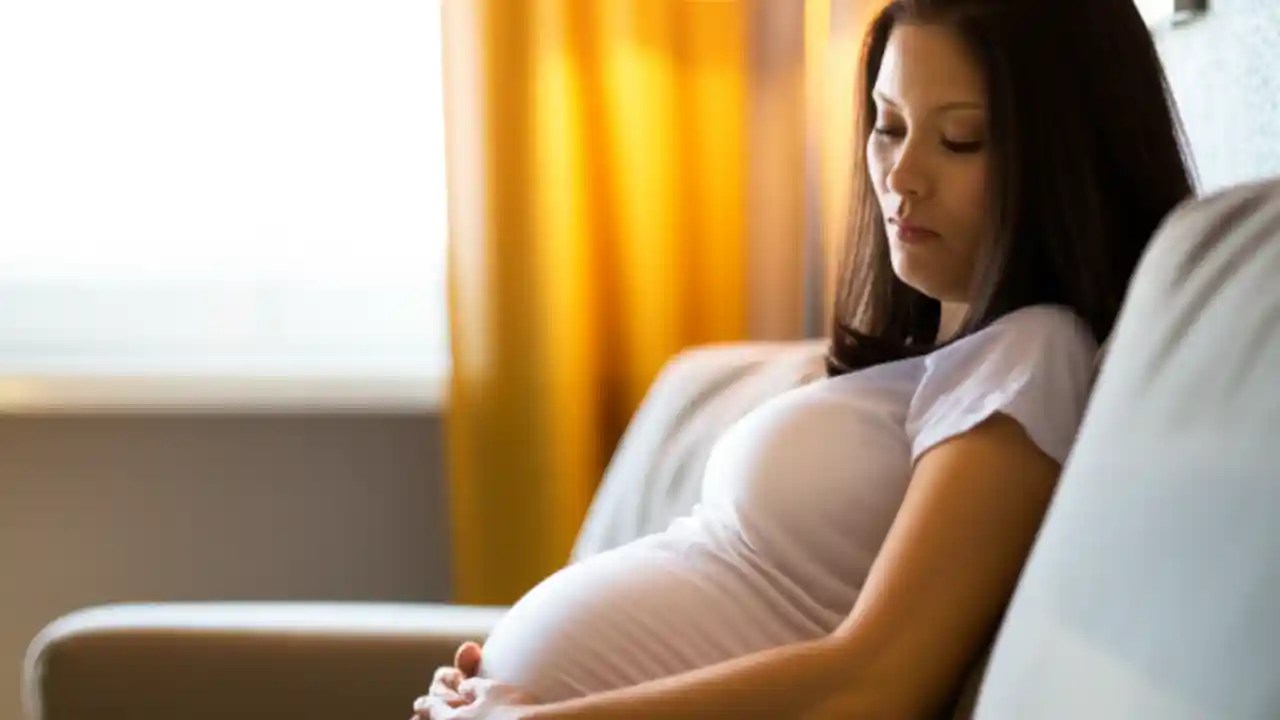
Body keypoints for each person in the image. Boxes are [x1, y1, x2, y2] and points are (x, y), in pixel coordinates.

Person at [414, 0, 1194, 717]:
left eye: (960, 139)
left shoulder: (1033, 351)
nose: (901, 175)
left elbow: (878, 677)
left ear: (1064, 154)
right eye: (888, 125)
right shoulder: (937, 368)